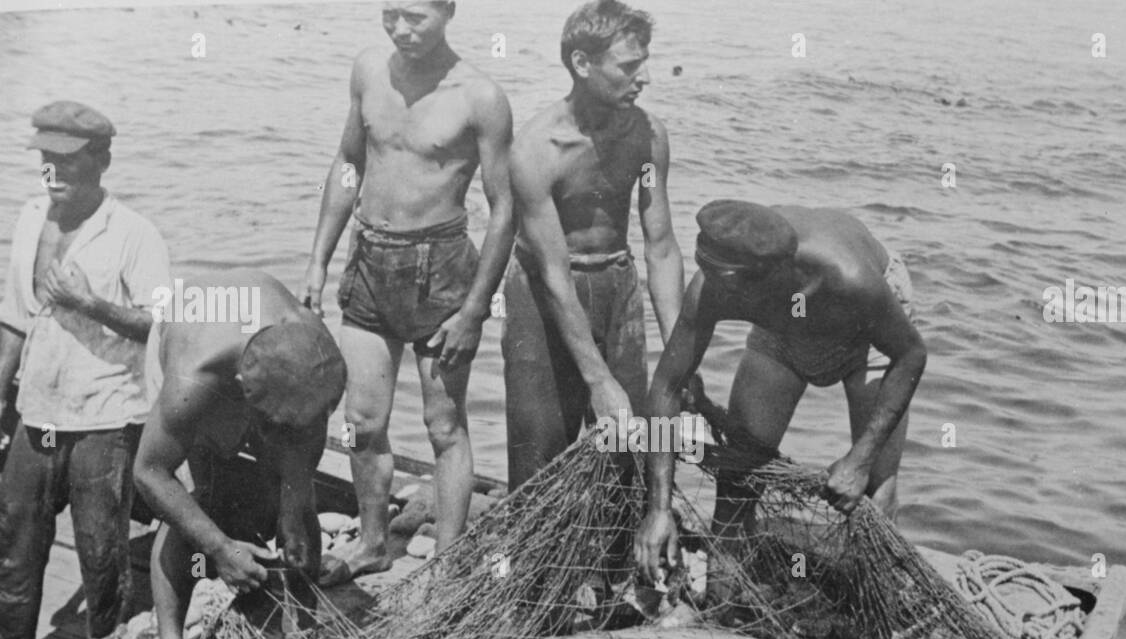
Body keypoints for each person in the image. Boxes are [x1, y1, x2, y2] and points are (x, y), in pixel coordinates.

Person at [301, 0, 514, 585]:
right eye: (390, 13)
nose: (401, 29)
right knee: (363, 422)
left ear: (448, 11)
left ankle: (447, 565)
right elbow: (348, 164)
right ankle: (372, 543)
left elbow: (504, 211)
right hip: (369, 262)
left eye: (416, 16)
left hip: (441, 268)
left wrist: (473, 310)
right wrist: (318, 262)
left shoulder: (480, 96)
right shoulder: (369, 69)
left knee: (444, 426)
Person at [634, 200, 927, 582]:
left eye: (738, 291)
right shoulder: (717, 283)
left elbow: (911, 355)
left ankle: (878, 607)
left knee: (873, 490)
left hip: (863, 329)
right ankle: (726, 603)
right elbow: (665, 389)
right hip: (785, 330)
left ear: (777, 274)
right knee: (738, 476)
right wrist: (658, 510)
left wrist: (862, 458)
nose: (726, 296)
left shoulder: (847, 279)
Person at [0, 102, 170, 639]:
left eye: (67, 161)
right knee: (14, 543)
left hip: (106, 414)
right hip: (38, 410)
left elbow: (160, 326)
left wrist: (88, 303)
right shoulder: (30, 218)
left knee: (100, 551)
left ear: (103, 160)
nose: (53, 172)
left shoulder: (135, 234)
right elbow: (14, 319)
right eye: (46, 158)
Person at [503, 0, 683, 491]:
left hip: (616, 285)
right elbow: (555, 275)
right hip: (542, 293)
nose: (644, 77)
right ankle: (535, 565)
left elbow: (662, 247)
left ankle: (616, 564)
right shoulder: (537, 150)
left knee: (627, 447)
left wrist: (679, 349)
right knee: (539, 453)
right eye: (629, 66)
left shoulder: (648, 137)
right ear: (582, 64)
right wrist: (598, 381)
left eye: (645, 61)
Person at [134, 271, 346, 639]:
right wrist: (218, 548)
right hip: (189, 327)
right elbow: (150, 472)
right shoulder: (193, 376)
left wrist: (293, 501)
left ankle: (305, 627)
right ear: (238, 388)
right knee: (202, 499)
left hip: (257, 338)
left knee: (293, 501)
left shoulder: (318, 353)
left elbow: (304, 448)